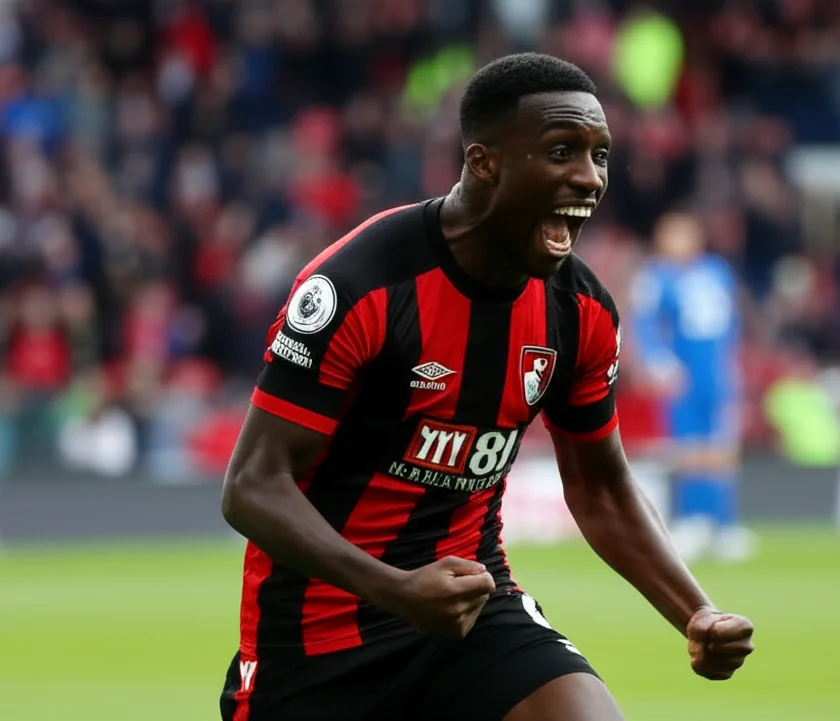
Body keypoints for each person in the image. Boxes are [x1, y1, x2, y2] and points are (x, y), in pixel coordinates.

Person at [219, 53, 754, 721]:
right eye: (562, 151)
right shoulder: (361, 286)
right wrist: (396, 589)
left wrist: (694, 610)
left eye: (600, 155)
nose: (589, 178)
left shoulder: (579, 310)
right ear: (484, 163)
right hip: (318, 634)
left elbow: (601, 487)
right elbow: (252, 484)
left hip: (474, 611)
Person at [631, 210, 755, 563]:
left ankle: (725, 523)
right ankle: (692, 518)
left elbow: (731, 325)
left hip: (716, 372)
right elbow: (645, 323)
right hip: (683, 375)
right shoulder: (656, 276)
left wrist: (733, 364)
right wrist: (659, 363)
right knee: (689, 448)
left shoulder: (716, 271)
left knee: (722, 449)